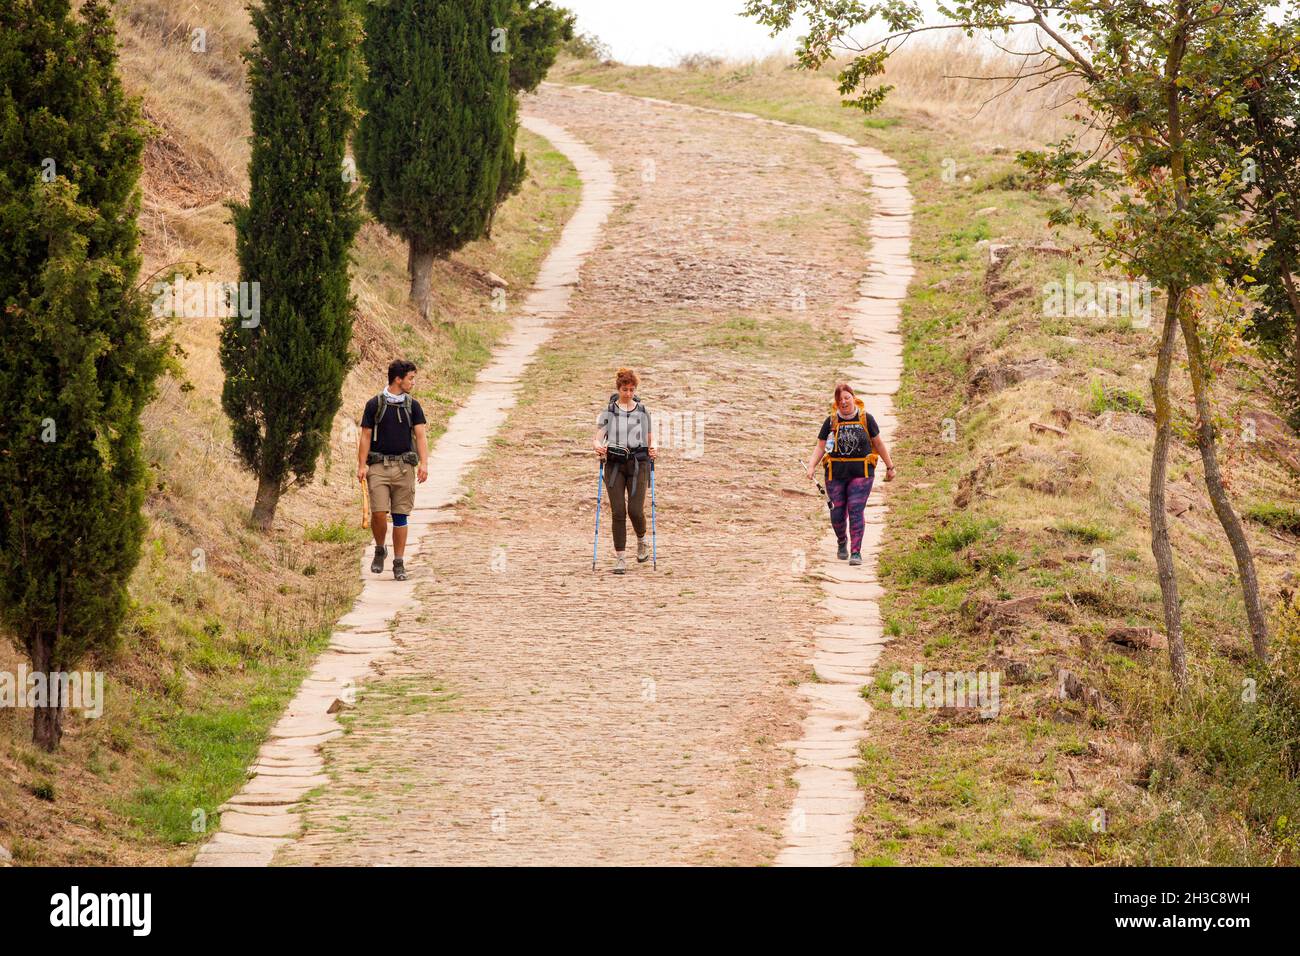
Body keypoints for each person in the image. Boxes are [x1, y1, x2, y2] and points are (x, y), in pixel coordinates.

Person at [806, 383, 894, 566]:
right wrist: (811, 465)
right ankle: (841, 541)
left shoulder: (866, 419)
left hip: (862, 472)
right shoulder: (830, 422)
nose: (844, 402)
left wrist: (890, 466)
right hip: (835, 473)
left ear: (853, 398)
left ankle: (856, 551)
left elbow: (878, 444)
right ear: (836, 403)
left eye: (847, 398)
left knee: (855, 509)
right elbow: (821, 446)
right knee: (837, 512)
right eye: (840, 400)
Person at [357, 359, 429, 581]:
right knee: (378, 513)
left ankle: (399, 562)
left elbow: (420, 435)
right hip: (378, 466)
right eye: (410, 378)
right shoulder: (374, 404)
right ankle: (380, 548)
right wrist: (362, 465)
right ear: (398, 379)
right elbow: (366, 436)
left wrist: (424, 463)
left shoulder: (413, 406)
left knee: (400, 516)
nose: (413, 383)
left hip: (404, 467)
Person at [593, 367, 657, 574]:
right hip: (614, 464)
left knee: (635, 510)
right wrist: (597, 446)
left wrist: (654, 448)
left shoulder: (642, 410)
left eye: (631, 389)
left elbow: (650, 437)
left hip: (639, 463)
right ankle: (620, 558)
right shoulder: (609, 412)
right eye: (624, 389)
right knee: (618, 511)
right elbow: (598, 436)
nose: (628, 393)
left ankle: (642, 541)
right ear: (618, 388)